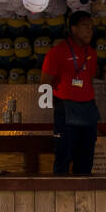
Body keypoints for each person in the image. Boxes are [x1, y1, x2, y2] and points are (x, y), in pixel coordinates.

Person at [41, 11, 100, 175]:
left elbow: (90, 79)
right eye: (85, 26)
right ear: (73, 29)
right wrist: (49, 110)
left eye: (91, 27)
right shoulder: (56, 53)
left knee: (86, 157)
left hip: (88, 108)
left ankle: (84, 195)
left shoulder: (92, 54)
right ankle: (60, 196)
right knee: (64, 156)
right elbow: (45, 84)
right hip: (65, 109)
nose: (89, 31)